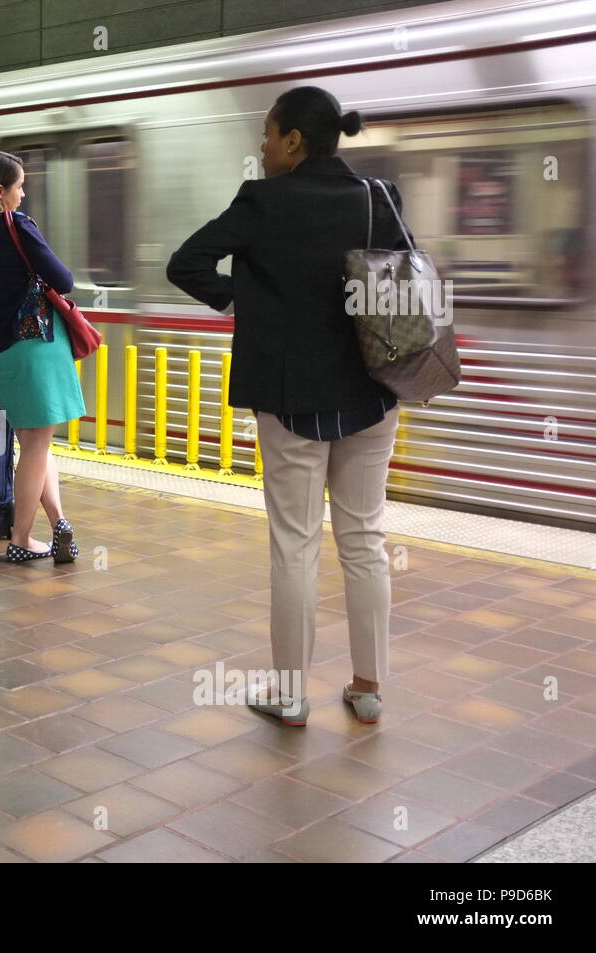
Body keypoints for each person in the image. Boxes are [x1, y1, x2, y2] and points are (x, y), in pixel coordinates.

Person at [167, 86, 410, 727]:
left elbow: (184, 262)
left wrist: (240, 295)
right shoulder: (377, 198)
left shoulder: (262, 202)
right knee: (364, 538)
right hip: (371, 393)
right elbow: (405, 275)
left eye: (269, 133)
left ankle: (291, 694)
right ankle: (367, 687)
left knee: (296, 545)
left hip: (289, 398)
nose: (262, 144)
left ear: (294, 141)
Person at [0, 151, 85, 564]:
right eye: (19, 186)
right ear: (0, 191)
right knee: (38, 443)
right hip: (32, 345)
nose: (23, 195)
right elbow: (64, 280)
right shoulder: (15, 226)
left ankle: (59, 522)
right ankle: (22, 538)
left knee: (34, 442)